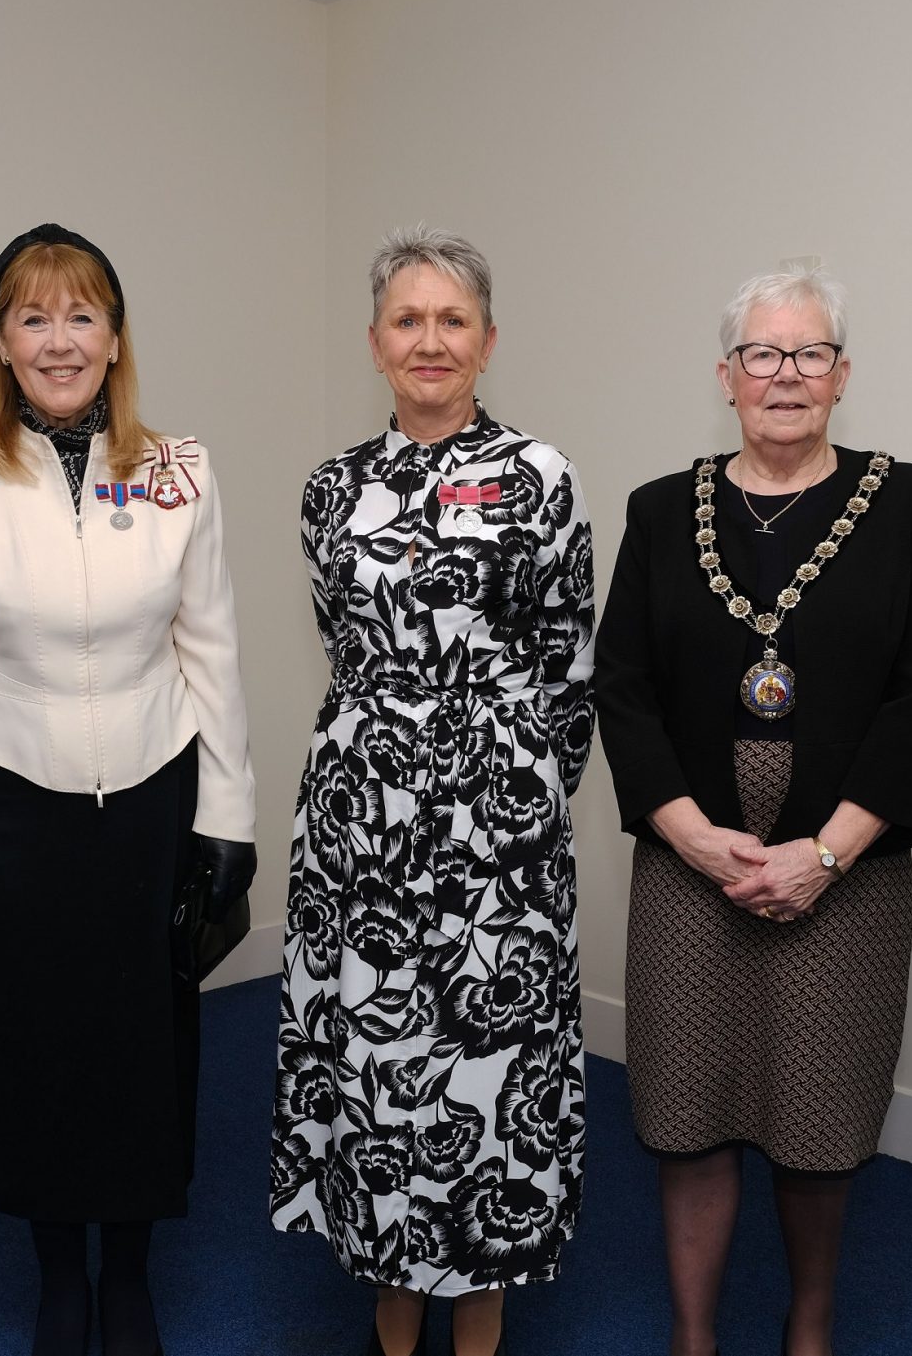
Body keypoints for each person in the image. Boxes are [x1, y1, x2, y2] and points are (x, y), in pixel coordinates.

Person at [0, 223, 257, 1356]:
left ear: (115, 337)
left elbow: (214, 653)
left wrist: (229, 822)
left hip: (154, 799)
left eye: (81, 316)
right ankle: (60, 1274)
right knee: (34, 1049)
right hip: (12, 805)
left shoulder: (176, 467)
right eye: (33, 318)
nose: (59, 340)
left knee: (151, 1043)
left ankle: (133, 1273)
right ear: (0, 343)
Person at [594, 264, 912, 1356]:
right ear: (726, 376)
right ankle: (693, 1336)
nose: (784, 375)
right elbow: (621, 684)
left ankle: (808, 1330)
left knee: (815, 1121)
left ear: (841, 376)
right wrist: (685, 832)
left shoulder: (906, 501)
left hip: (840, 858)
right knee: (686, 1118)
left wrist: (827, 852)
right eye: (762, 353)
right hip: (687, 854)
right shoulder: (662, 511)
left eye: (808, 354)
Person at [270, 227, 595, 1356]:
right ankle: (389, 1302)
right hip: (361, 816)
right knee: (378, 1053)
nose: (428, 340)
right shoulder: (330, 489)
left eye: (451, 319)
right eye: (406, 320)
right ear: (373, 343)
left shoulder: (541, 478)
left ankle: (481, 1312)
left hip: (499, 827)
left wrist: (524, 796)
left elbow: (569, 664)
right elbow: (342, 645)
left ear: (488, 341)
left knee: (487, 1066)